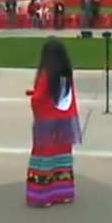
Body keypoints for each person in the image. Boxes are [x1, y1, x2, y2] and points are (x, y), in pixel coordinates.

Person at [25, 39, 82, 208]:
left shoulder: (46, 73)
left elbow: (40, 98)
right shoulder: (67, 73)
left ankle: (43, 195)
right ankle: (63, 193)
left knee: (44, 155)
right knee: (62, 154)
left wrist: (34, 98)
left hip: (47, 121)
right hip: (64, 119)